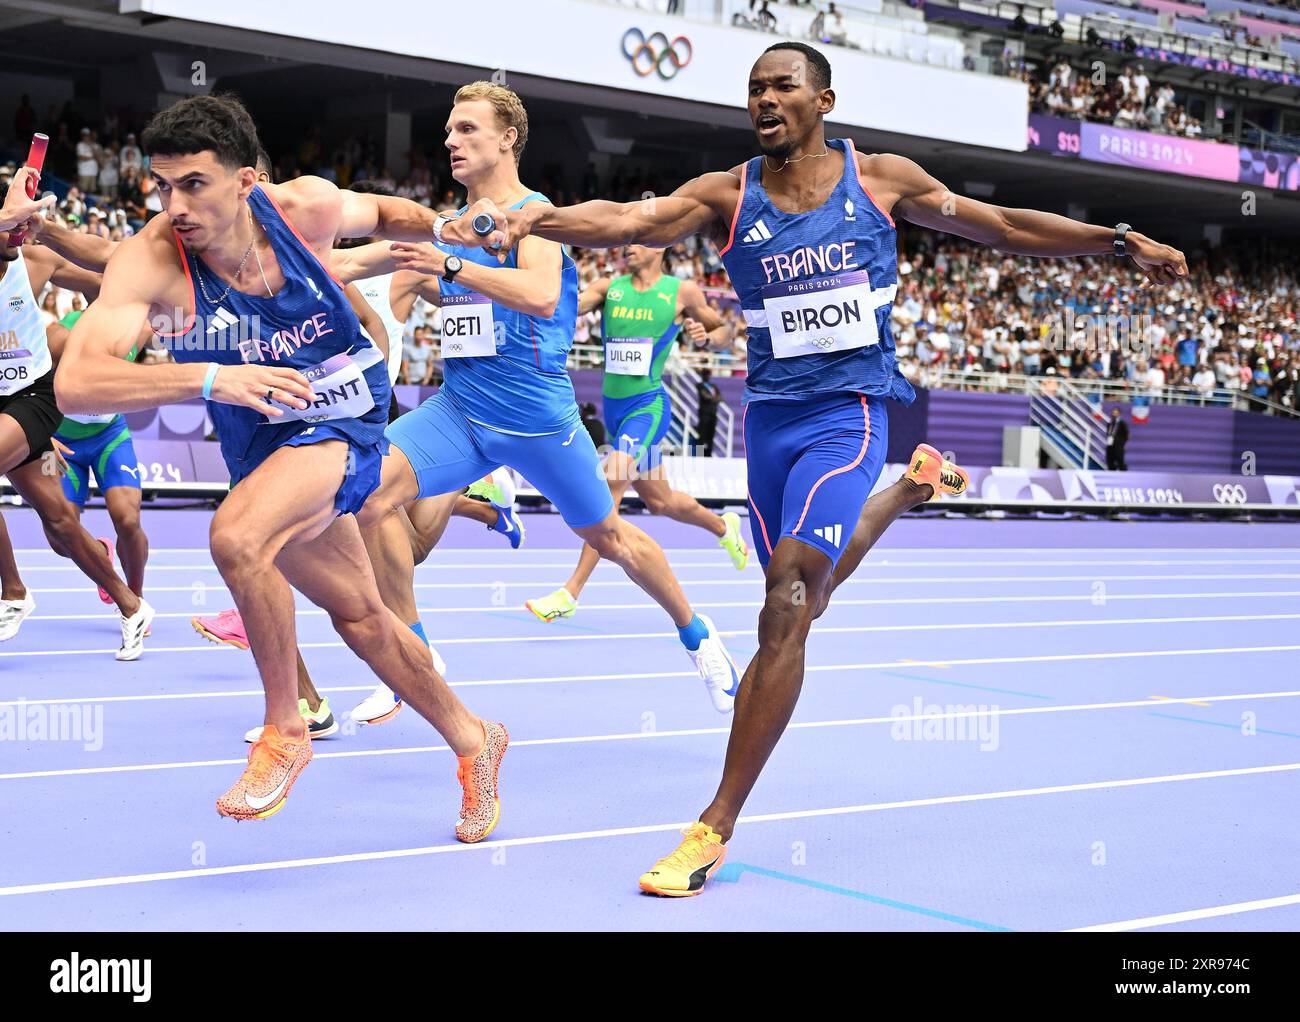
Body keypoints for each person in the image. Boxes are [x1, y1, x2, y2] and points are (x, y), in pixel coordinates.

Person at [454, 40, 1186, 896]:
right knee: (804, 597)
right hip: (773, 427)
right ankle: (914, 485)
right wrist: (536, 217)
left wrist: (1115, 239)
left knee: (789, 600)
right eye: (755, 87)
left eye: (783, 86)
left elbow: (1004, 225)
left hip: (852, 415)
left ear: (823, 100)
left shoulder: (881, 181)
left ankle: (712, 826)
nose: (766, 98)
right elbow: (631, 221)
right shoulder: (730, 194)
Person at [57, 94, 509, 839]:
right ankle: (473, 736)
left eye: (194, 184)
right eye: (162, 185)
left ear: (246, 181)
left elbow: (390, 214)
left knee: (236, 537)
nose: (175, 205)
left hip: (345, 413)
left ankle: (285, 731)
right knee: (362, 618)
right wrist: (208, 379)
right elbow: (78, 381)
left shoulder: (307, 209)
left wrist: (453, 228)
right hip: (263, 442)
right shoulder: (152, 258)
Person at [354, 81, 745, 721]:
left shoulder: (537, 218)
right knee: (367, 497)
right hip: (459, 412)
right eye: (449, 131)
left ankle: (699, 636)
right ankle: (413, 656)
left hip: (537, 421)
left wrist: (449, 268)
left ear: (507, 139)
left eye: (467, 129)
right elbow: (447, 295)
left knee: (611, 535)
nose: (450, 141)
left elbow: (538, 295)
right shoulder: (450, 226)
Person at [523, 244, 748, 625]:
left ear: (660, 246)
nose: (628, 247)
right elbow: (563, 304)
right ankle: (725, 527)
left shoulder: (682, 292)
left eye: (638, 241)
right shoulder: (610, 287)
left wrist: (708, 337)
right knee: (660, 502)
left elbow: (725, 329)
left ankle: (570, 591)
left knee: (610, 480)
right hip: (615, 410)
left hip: (648, 406)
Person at [1, 180, 154, 657]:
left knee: (112, 517)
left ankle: (13, 593)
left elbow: (105, 281)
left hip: (34, 399)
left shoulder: (39, 261)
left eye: (16, 231)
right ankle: (132, 606)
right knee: (62, 526)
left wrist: (122, 322)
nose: (13, 239)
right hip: (13, 413)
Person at [696, 366, 722, 455]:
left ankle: (708, 454)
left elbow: (720, 398)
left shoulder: (713, 386)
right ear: (702, 376)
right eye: (705, 375)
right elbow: (705, 397)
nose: (707, 376)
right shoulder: (700, 385)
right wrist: (714, 399)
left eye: (708, 375)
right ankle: (699, 454)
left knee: (711, 434)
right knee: (702, 434)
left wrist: (713, 399)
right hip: (704, 413)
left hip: (713, 413)